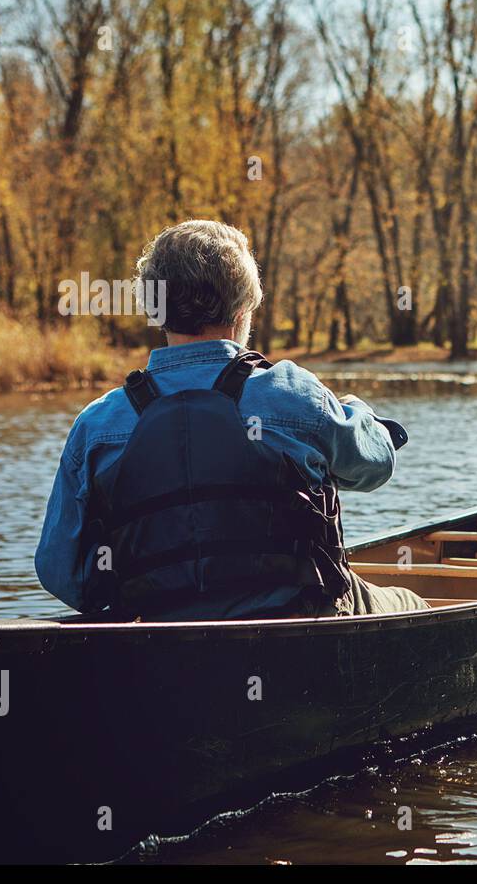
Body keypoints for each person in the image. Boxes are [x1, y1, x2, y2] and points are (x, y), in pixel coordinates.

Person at [35, 219, 427, 621]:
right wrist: (357, 412)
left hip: (158, 638)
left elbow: (62, 574)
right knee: (412, 603)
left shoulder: (97, 425)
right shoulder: (293, 394)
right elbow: (374, 467)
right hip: (298, 629)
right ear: (243, 309)